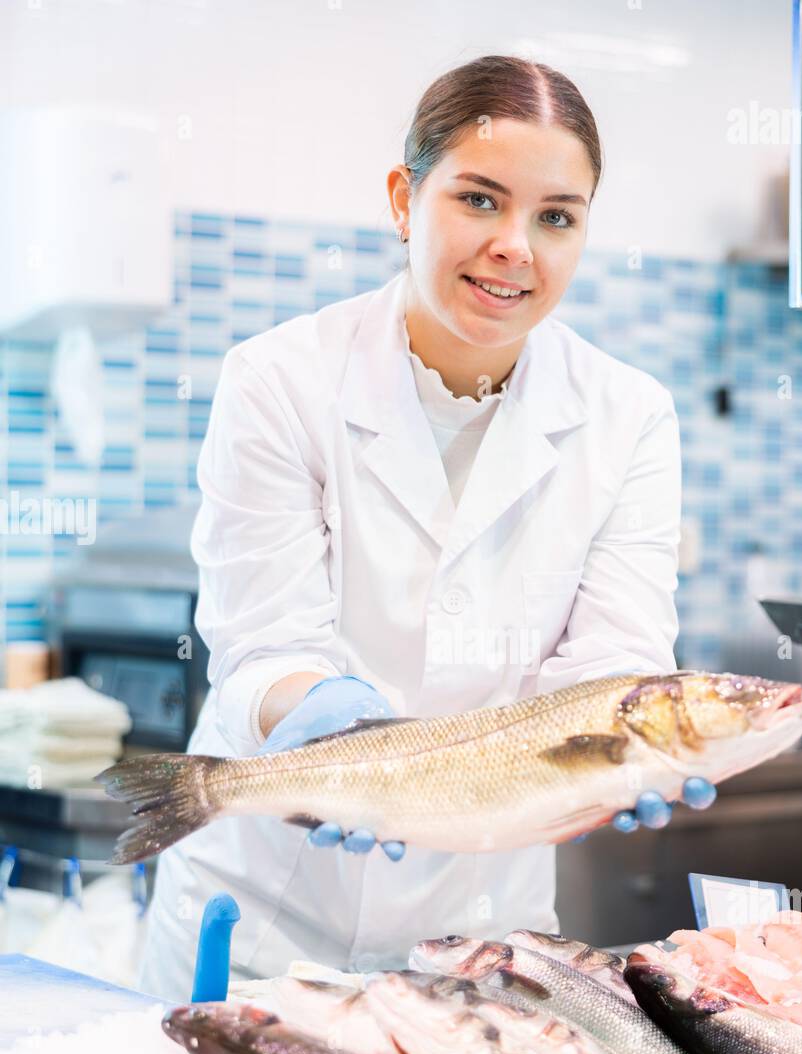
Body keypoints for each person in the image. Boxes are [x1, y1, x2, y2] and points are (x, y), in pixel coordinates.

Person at [139, 53, 713, 1000]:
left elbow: (613, 654)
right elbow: (264, 639)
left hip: (479, 920)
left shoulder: (629, 415)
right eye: (479, 200)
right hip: (260, 914)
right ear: (405, 198)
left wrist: (627, 747)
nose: (515, 247)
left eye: (555, 217)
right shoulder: (279, 380)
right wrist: (323, 720)